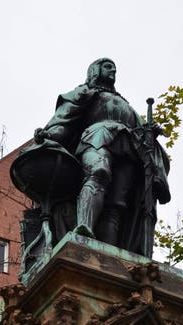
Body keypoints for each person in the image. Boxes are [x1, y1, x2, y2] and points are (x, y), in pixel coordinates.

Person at [33, 58, 171, 255]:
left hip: (130, 148)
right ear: (95, 70)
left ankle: (110, 251)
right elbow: (64, 120)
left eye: (114, 67)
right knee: (98, 172)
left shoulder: (125, 104)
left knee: (118, 202)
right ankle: (84, 228)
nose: (113, 69)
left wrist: (150, 133)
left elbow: (140, 132)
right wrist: (49, 134)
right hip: (97, 136)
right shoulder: (85, 92)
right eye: (107, 66)